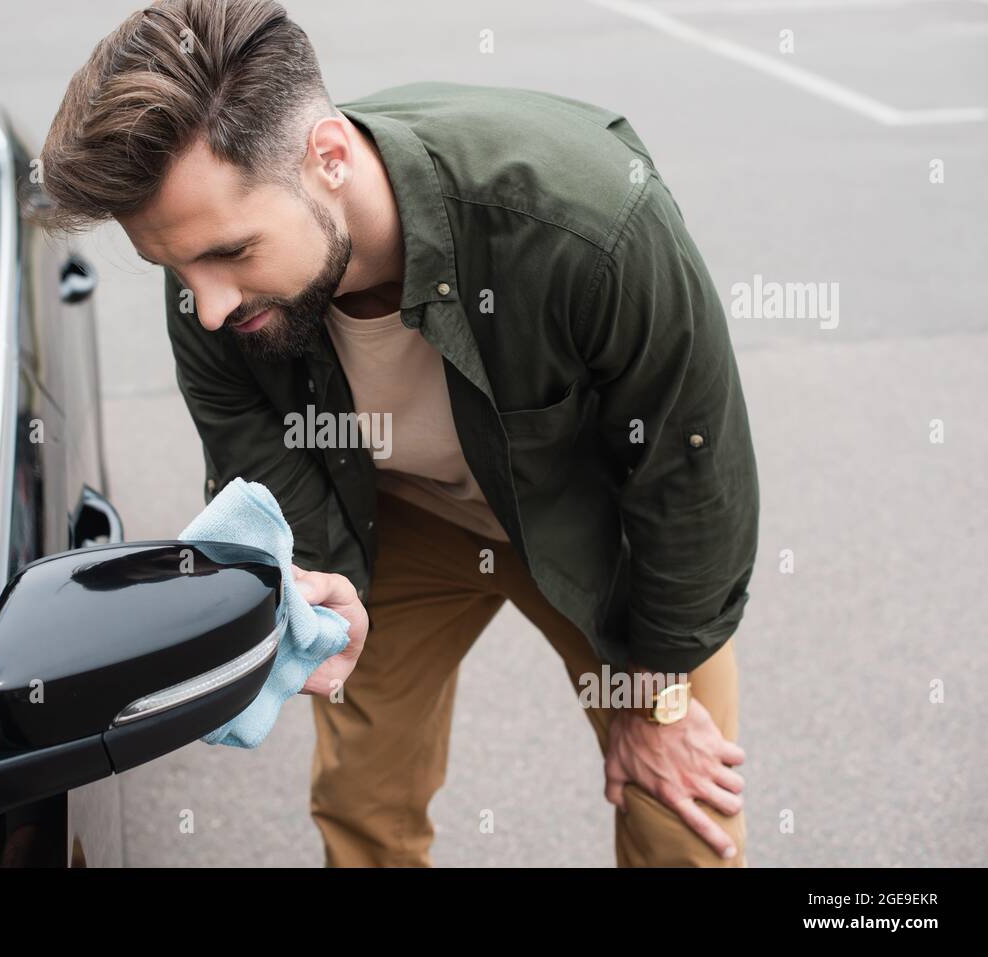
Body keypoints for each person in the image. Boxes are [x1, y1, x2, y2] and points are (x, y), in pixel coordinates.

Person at [37, 0, 760, 867]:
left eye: (231, 254)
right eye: (174, 268)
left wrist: (655, 698)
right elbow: (257, 450)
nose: (208, 305)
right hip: (399, 519)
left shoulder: (587, 223)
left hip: (601, 525)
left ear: (330, 157)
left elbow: (691, 469)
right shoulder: (208, 266)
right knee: (362, 803)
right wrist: (312, 581)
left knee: (680, 811)